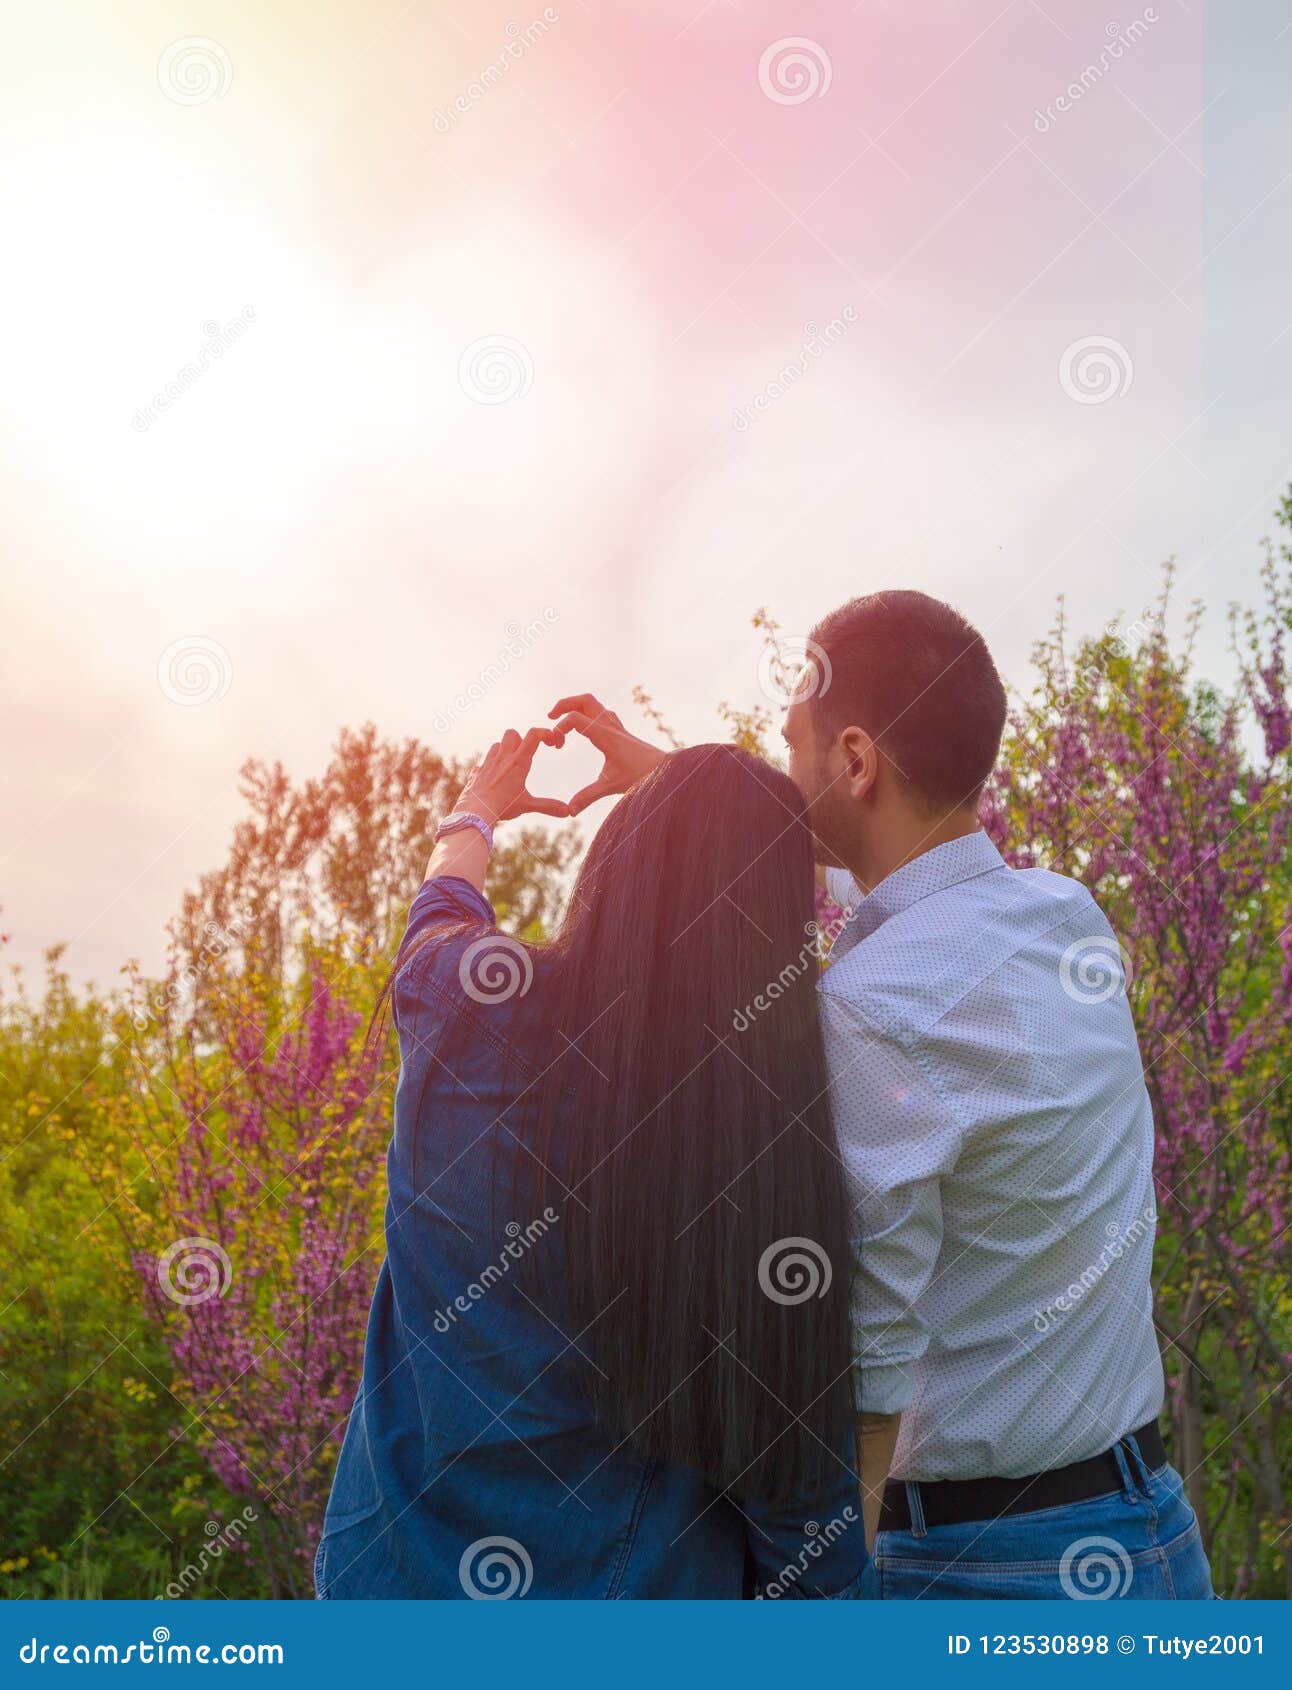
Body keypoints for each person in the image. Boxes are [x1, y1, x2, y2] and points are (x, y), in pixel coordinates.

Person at [556, 589, 1215, 1601]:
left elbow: (860, 1377)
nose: (785, 768)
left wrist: (835, 1609)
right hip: (1148, 1532)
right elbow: (914, 929)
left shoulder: (870, 1009)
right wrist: (673, 788)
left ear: (855, 762)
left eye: (793, 744)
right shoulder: (1065, 916)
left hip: (984, 1571)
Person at [317, 729, 871, 1599]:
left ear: (613, 861)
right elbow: (794, 1489)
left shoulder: (464, 1004)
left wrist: (480, 807)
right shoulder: (762, 1139)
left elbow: (441, 909)